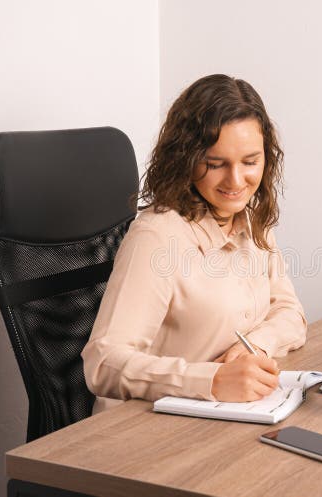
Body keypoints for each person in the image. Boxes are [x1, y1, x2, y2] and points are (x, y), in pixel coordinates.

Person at [82, 74, 307, 413]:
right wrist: (212, 381)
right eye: (215, 164)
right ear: (185, 160)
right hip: (149, 431)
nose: (236, 181)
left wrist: (256, 347)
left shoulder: (251, 217)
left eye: (250, 162)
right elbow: (103, 363)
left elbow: (290, 313)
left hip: (227, 418)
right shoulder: (158, 238)